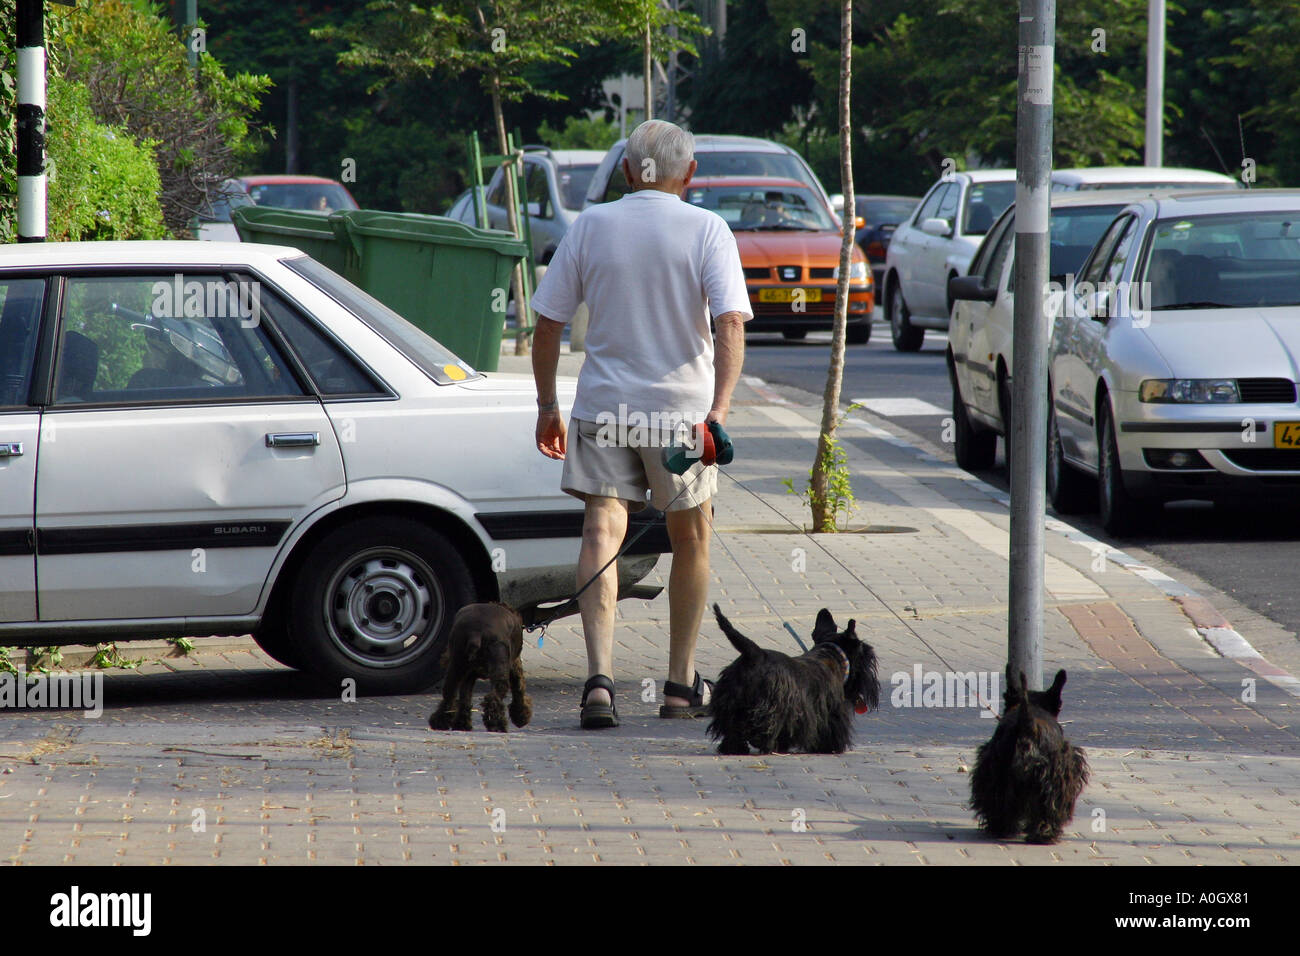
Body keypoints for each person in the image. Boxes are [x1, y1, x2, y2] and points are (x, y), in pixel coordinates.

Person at [530, 120, 752, 729]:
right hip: (681, 417)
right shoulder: (708, 229)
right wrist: (719, 414)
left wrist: (548, 406)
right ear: (691, 175)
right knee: (691, 538)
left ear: (628, 172)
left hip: (604, 408)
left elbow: (546, 324)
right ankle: (679, 685)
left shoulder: (591, 227)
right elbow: (730, 323)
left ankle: (599, 682)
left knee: (601, 532)